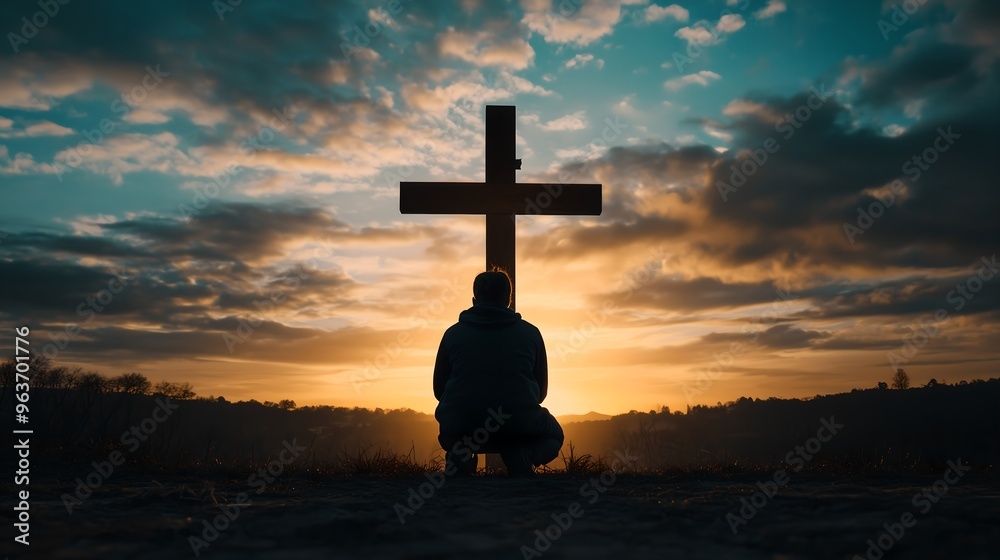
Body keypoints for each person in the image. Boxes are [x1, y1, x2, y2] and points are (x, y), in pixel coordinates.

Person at [433, 270, 564, 476]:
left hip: (461, 426)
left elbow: (439, 391)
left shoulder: (452, 334)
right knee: (555, 435)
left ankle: (462, 454)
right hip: (518, 425)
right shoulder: (531, 333)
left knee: (452, 433)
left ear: (474, 300)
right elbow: (541, 393)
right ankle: (524, 456)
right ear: (508, 300)